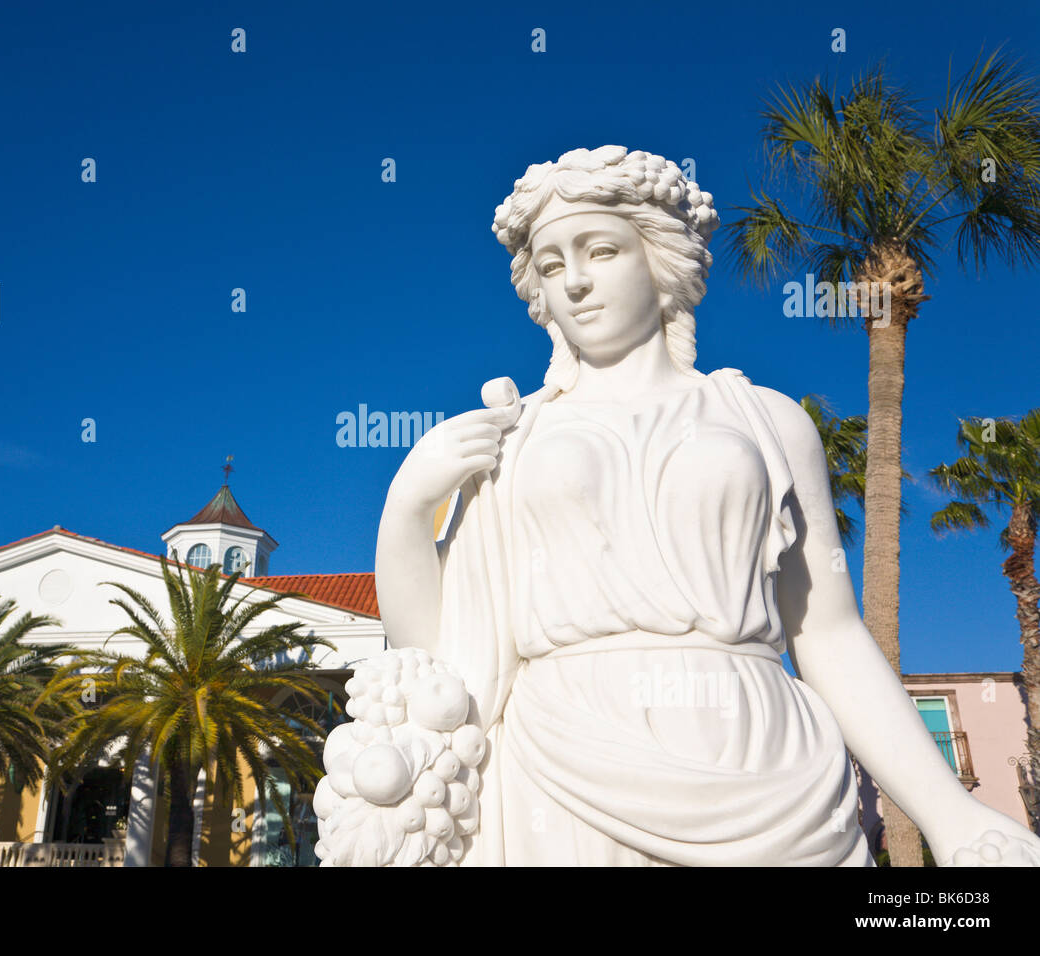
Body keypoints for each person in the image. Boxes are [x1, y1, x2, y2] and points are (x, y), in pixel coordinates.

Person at [372, 145, 1040, 866]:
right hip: (559, 763)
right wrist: (409, 504)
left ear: (660, 261)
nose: (576, 283)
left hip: (764, 760)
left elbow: (829, 635)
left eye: (599, 250)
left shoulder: (767, 420)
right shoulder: (514, 436)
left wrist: (952, 815)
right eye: (553, 264)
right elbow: (439, 661)